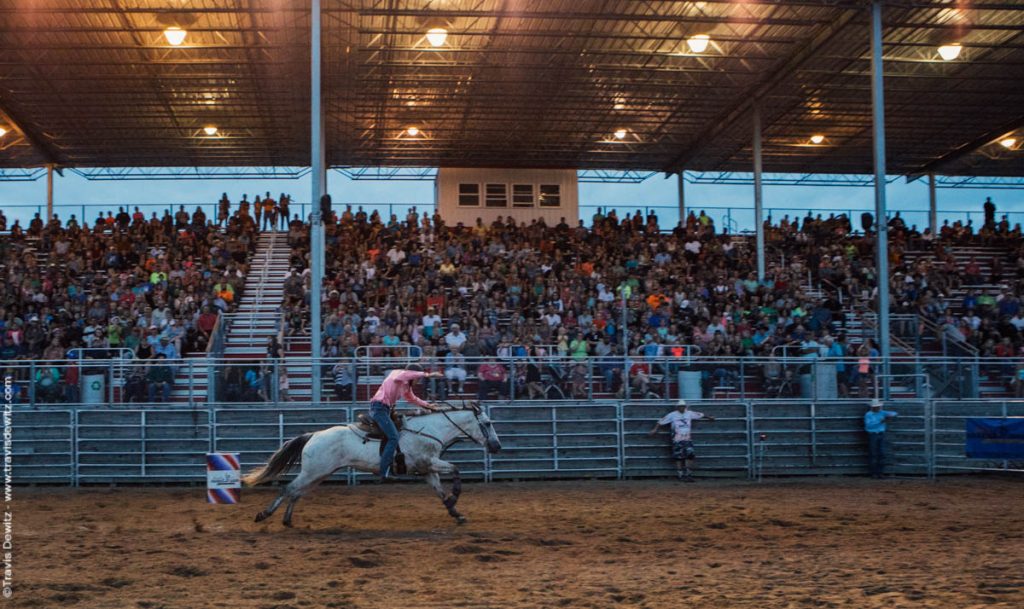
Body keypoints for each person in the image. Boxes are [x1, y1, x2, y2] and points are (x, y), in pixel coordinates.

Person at [368, 364, 443, 480]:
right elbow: (406, 374)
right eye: (417, 379)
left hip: (384, 409)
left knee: (394, 435)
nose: (418, 381)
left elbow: (412, 398)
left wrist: (428, 405)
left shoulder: (406, 386)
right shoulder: (397, 374)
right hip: (379, 408)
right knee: (393, 437)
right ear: (412, 375)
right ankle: (383, 472)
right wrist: (428, 374)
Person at [649, 400, 715, 482]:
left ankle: (688, 474)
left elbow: (701, 415)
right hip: (677, 439)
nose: (682, 408)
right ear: (677, 407)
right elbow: (661, 421)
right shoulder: (672, 415)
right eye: (680, 406)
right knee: (679, 457)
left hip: (687, 438)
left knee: (689, 455)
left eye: (683, 406)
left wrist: (709, 417)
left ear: (685, 407)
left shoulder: (689, 413)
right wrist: (655, 429)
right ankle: (680, 475)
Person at [864, 399, 898, 479]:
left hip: (878, 434)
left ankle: (879, 472)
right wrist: (881, 421)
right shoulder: (868, 414)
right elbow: (869, 426)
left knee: (880, 454)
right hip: (873, 434)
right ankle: (875, 473)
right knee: (874, 454)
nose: (878, 408)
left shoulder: (880, 413)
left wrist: (889, 416)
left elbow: (894, 413)